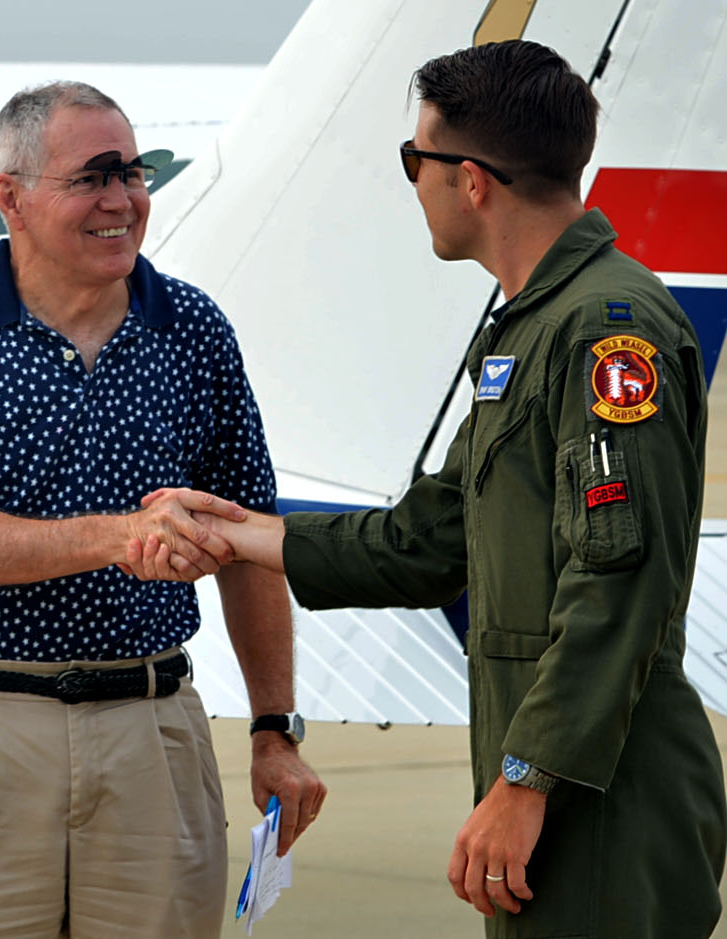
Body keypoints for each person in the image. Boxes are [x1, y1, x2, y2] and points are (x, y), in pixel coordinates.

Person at [129, 40, 727, 938]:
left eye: (416, 160)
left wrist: (526, 780)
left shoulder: (608, 332)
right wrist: (244, 532)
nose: (412, 182)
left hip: (605, 794)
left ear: (472, 180)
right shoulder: (527, 329)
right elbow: (430, 540)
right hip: (558, 779)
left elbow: (618, 587)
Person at [0, 80, 325, 938]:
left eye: (133, 173)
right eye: (92, 177)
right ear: (12, 196)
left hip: (150, 731)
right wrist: (119, 535)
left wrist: (273, 728)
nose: (122, 200)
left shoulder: (192, 329)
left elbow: (249, 542)